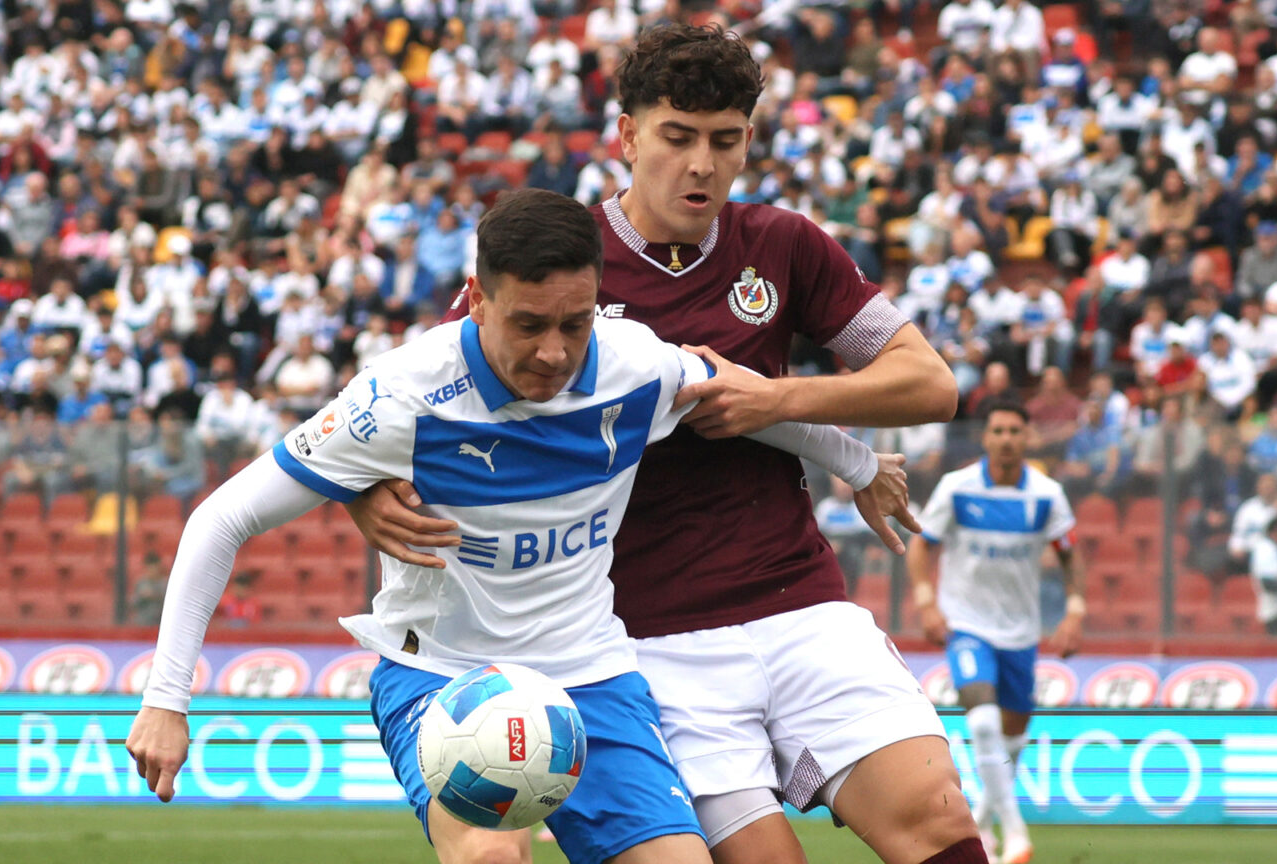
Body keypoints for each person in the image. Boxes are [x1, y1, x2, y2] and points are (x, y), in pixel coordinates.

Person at [344, 25, 979, 864]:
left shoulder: (784, 246)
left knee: (935, 815)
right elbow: (432, 397)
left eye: (725, 141)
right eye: (678, 138)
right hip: (649, 634)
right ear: (629, 135)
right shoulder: (561, 263)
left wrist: (781, 402)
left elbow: (929, 383)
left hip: (801, 600)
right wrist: (365, 490)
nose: (702, 165)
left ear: (749, 140)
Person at [126, 190, 911, 864]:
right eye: (529, 324)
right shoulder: (405, 397)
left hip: (594, 674)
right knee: (492, 851)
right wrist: (167, 698)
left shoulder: (636, 364)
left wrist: (860, 463)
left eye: (575, 323)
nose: (553, 351)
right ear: (479, 295)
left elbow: (750, 402)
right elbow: (222, 518)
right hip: (446, 677)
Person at [907, 399, 1083, 864]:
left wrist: (1075, 610)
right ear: (985, 438)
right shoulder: (956, 488)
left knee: (1012, 738)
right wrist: (926, 601)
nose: (1006, 440)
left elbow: (1068, 553)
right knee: (982, 721)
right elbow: (921, 547)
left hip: (1021, 633)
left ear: (1028, 439)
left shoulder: (1046, 495)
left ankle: (983, 824)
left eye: (1014, 432)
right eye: (998, 431)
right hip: (967, 625)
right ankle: (1017, 834)